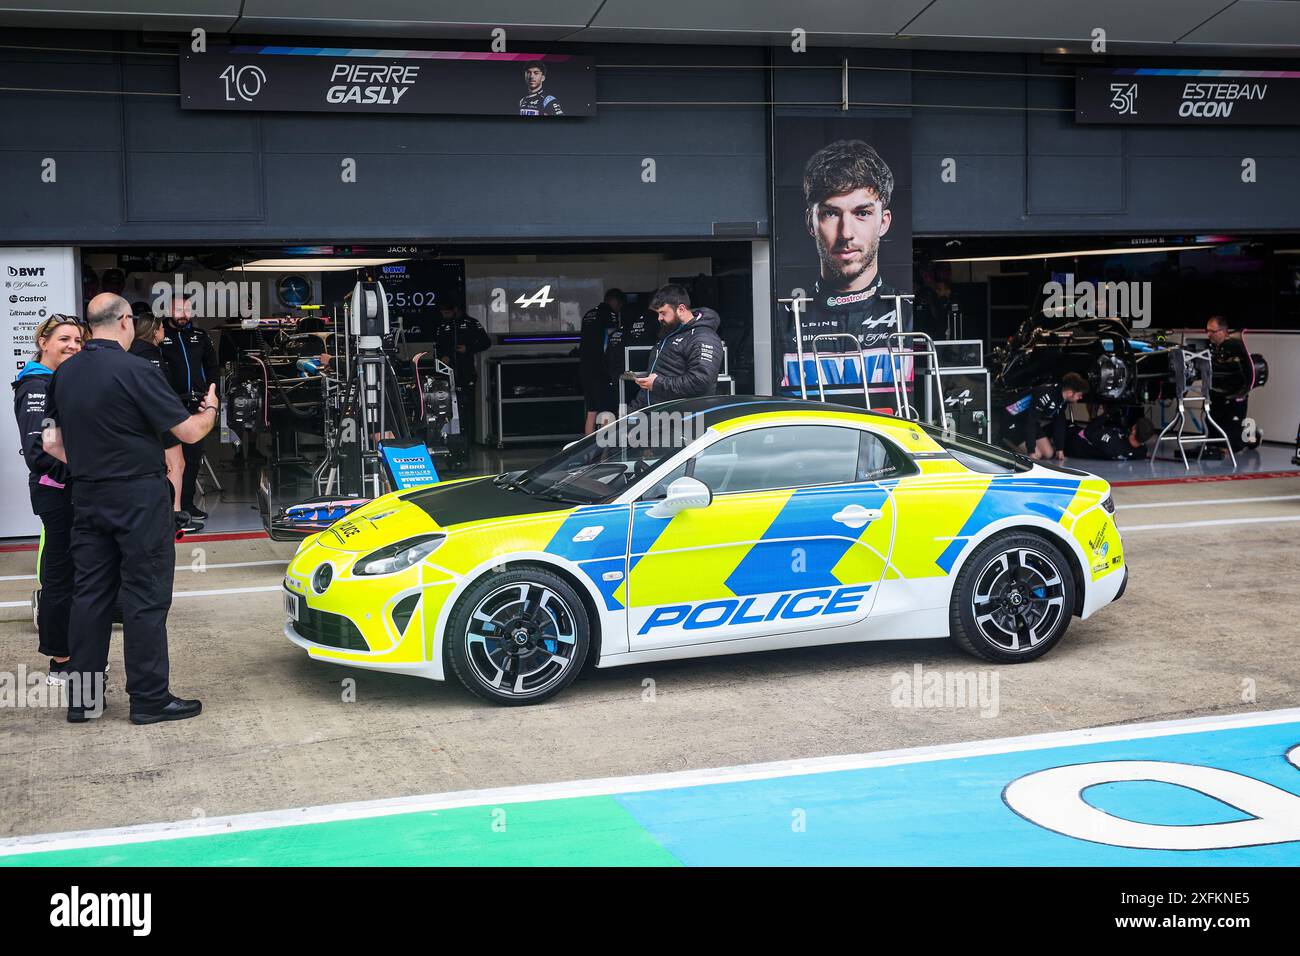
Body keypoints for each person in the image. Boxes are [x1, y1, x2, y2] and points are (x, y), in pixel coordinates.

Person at [42, 293, 218, 724]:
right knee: (144, 597)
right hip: (138, 497)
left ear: (90, 326)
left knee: (91, 595)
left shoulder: (63, 374)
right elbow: (190, 432)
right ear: (124, 322)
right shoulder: (137, 369)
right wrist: (212, 407)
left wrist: (90, 464)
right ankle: (149, 699)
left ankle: (83, 702)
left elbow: (50, 442)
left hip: (87, 495)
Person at [786, 139, 911, 399]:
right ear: (811, 222)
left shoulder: (909, 314)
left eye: (862, 213)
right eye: (831, 214)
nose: (846, 233)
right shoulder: (784, 322)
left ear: (884, 222)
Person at [11, 314, 82, 685]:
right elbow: (39, 452)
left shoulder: (60, 382)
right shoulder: (36, 385)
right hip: (57, 494)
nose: (72, 346)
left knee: (76, 574)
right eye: (64, 339)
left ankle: (74, 652)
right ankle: (60, 661)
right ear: (44, 342)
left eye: (78, 341)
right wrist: (84, 476)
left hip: (72, 492)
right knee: (60, 577)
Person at [130, 312, 195, 529]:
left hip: (140, 422)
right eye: (162, 329)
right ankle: (175, 517)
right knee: (176, 464)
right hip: (160, 419)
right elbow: (161, 390)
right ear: (155, 330)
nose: (164, 332)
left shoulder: (131, 352)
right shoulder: (152, 356)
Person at [159, 295, 218, 519]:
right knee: (170, 462)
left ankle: (187, 504)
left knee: (193, 459)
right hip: (169, 408)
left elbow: (212, 368)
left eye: (187, 310)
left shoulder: (200, 336)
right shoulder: (159, 335)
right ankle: (168, 508)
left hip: (196, 406)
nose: (183, 315)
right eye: (178, 310)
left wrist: (212, 396)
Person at [629, 284, 723, 411]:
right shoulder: (669, 334)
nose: (659, 318)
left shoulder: (704, 336)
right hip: (658, 416)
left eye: (663, 313)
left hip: (685, 421)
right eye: (658, 313)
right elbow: (656, 376)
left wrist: (657, 384)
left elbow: (701, 382)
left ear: (681, 309)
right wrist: (631, 413)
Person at [434, 299, 491, 444]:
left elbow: (486, 342)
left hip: (466, 373)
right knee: (447, 408)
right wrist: (442, 357)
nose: (444, 314)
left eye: (447, 312)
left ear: (456, 310)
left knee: (467, 409)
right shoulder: (442, 326)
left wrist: (468, 349)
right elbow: (437, 348)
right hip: (446, 375)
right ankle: (449, 440)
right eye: (442, 312)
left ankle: (469, 441)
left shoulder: (471, 323)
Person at [1000, 371, 1088, 461]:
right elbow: (1031, 422)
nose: (1081, 398)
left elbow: (1059, 424)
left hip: (1027, 420)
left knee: (1049, 454)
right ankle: (1006, 442)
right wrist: (1031, 451)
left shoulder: (1062, 398)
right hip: (1012, 421)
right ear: (1070, 393)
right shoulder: (1045, 395)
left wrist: (1059, 449)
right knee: (1036, 455)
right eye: (1079, 395)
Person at [1205, 315, 1252, 455]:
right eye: (1207, 331)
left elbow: (1244, 370)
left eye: (1212, 331)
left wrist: (1243, 391)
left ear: (1224, 331)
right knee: (1211, 414)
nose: (1209, 334)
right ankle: (1215, 443)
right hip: (1219, 392)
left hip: (1236, 392)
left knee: (1230, 443)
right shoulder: (1214, 347)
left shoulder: (1233, 345)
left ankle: (1250, 437)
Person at [579, 289, 624, 433]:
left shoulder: (588, 314)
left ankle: (588, 451)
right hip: (601, 368)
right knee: (606, 410)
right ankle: (604, 453)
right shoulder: (609, 314)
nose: (618, 310)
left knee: (591, 411)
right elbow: (612, 340)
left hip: (585, 367)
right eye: (619, 306)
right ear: (615, 302)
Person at [605, 303, 659, 415]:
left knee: (622, 411)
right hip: (632, 377)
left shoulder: (618, 332)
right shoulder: (628, 332)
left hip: (619, 377)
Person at [1065, 415, 1156, 461]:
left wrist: (1106, 415)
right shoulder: (1141, 451)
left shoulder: (1112, 442)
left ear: (1134, 430)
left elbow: (1088, 432)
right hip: (1084, 443)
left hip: (1073, 441)